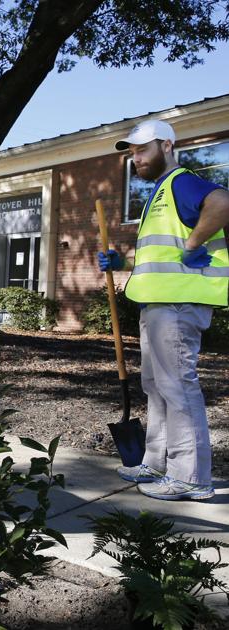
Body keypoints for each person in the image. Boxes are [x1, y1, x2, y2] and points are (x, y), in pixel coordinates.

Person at [98, 119, 229, 501]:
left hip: (178, 303)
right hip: (158, 304)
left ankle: (189, 477)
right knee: (155, 386)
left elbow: (221, 203)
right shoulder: (159, 194)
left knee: (177, 386)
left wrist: (193, 245)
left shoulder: (180, 181)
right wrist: (121, 263)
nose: (135, 158)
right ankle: (155, 462)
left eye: (142, 150)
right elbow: (162, 253)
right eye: (133, 153)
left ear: (167, 146)